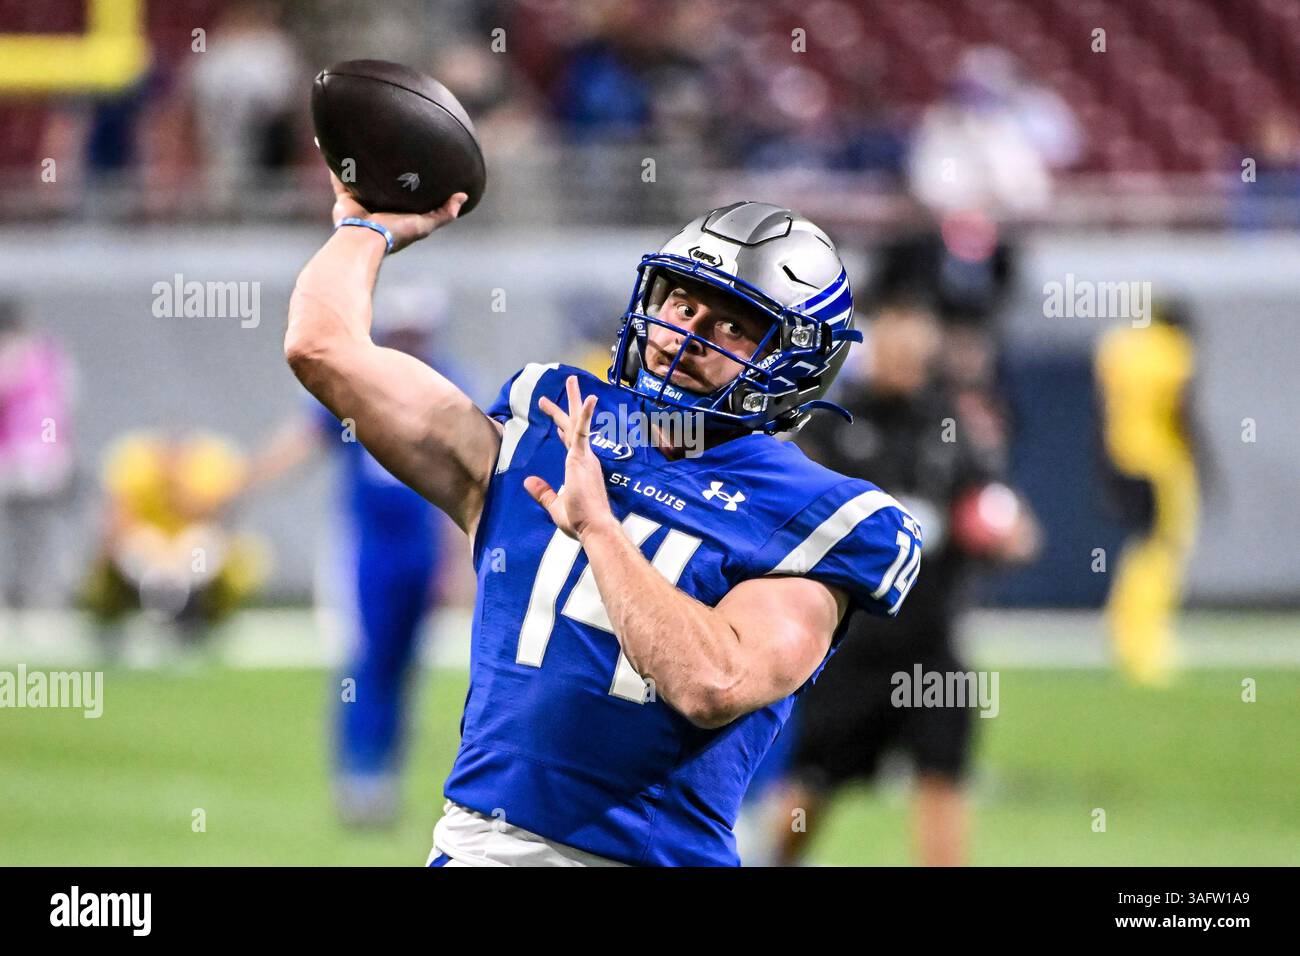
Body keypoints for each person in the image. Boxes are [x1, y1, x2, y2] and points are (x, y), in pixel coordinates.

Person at [284, 174, 922, 866]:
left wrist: (601, 530)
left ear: (795, 359)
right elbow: (323, 350)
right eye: (682, 303)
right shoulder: (550, 419)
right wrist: (363, 229)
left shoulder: (817, 516)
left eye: (733, 324)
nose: (687, 336)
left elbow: (713, 682)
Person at [764, 300, 1039, 867]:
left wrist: (1003, 531)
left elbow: (1011, 524)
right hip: (849, 647)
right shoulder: (830, 425)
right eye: (893, 333)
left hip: (931, 646)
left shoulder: (954, 425)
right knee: (810, 789)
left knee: (943, 779)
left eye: (916, 336)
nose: (906, 347)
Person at [244, 287, 458, 827]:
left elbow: (470, 483)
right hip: (370, 550)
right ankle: (360, 782)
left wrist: (458, 563)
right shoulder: (356, 383)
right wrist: (239, 486)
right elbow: (300, 443)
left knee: (405, 668)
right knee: (366, 664)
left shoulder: (449, 387)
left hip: (419, 549)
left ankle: (384, 777)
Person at [1095, 301, 1204, 687]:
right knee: (1162, 550)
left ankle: (1125, 631)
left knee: (1141, 547)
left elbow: (1103, 410)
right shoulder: (1173, 352)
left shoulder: (1120, 345)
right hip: (1161, 461)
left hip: (1121, 456)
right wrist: (1205, 466)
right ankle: (1145, 639)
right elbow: (1182, 413)